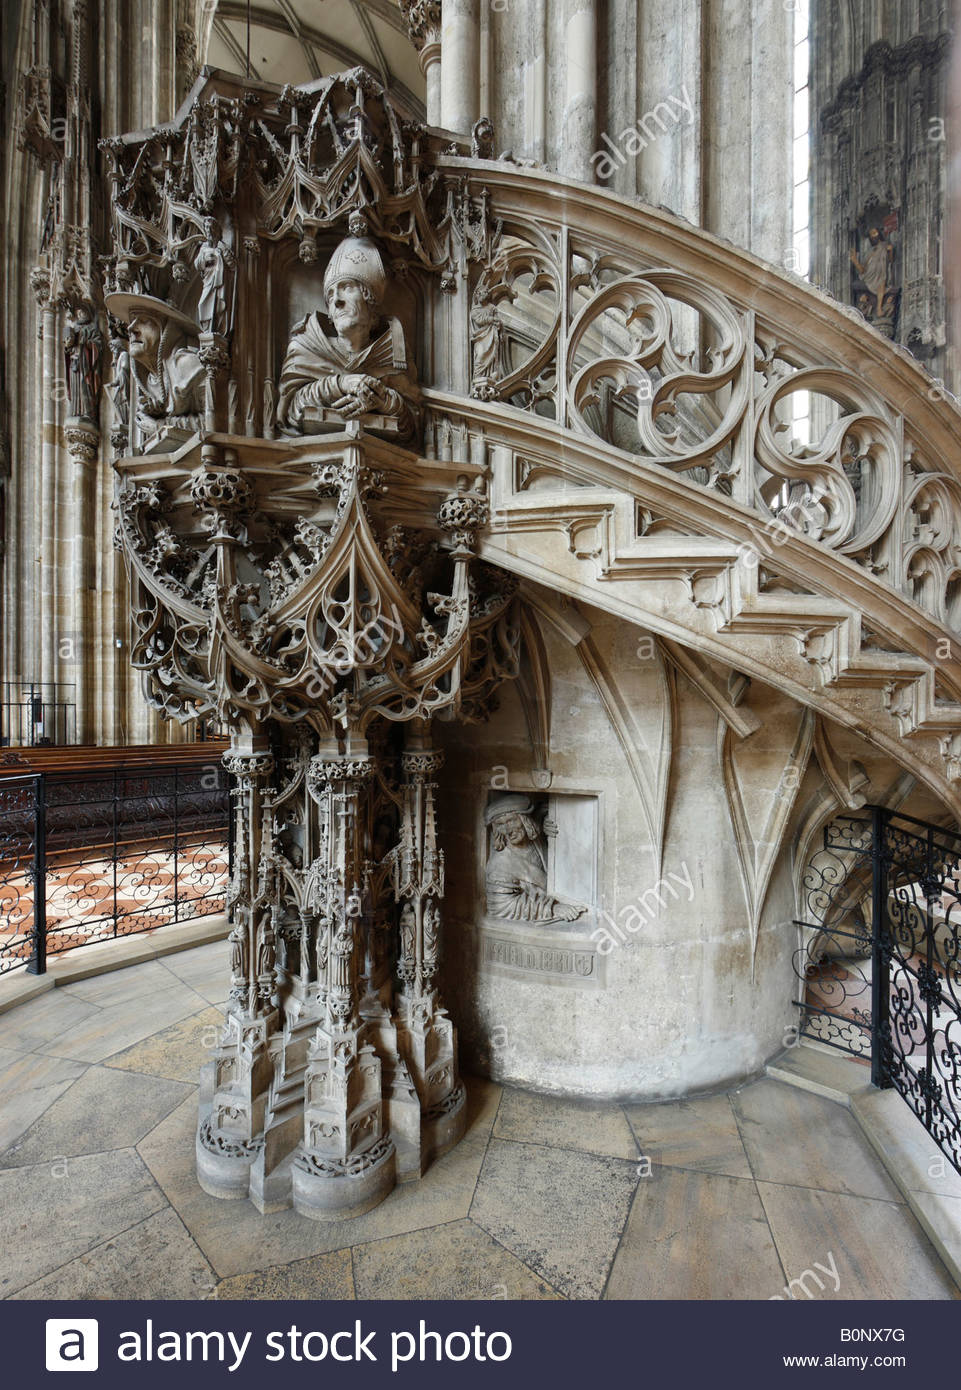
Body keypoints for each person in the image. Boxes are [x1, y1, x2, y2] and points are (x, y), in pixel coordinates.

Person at [277, 235, 420, 438]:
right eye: (331, 295)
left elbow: (412, 424)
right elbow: (291, 411)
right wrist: (341, 384)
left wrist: (383, 399)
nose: (336, 301)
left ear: (369, 300)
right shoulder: (306, 347)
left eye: (347, 288)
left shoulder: (393, 353)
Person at [104, 291, 205, 439]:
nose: (131, 329)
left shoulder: (187, 365)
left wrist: (160, 426)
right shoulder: (148, 379)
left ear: (165, 331)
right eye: (131, 321)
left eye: (143, 321)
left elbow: (220, 421)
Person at [484, 794, 585, 922]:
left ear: (525, 820)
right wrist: (552, 908)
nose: (508, 830)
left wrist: (548, 818)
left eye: (511, 821)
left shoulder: (535, 841)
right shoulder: (500, 865)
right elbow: (501, 906)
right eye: (500, 824)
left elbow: (546, 808)